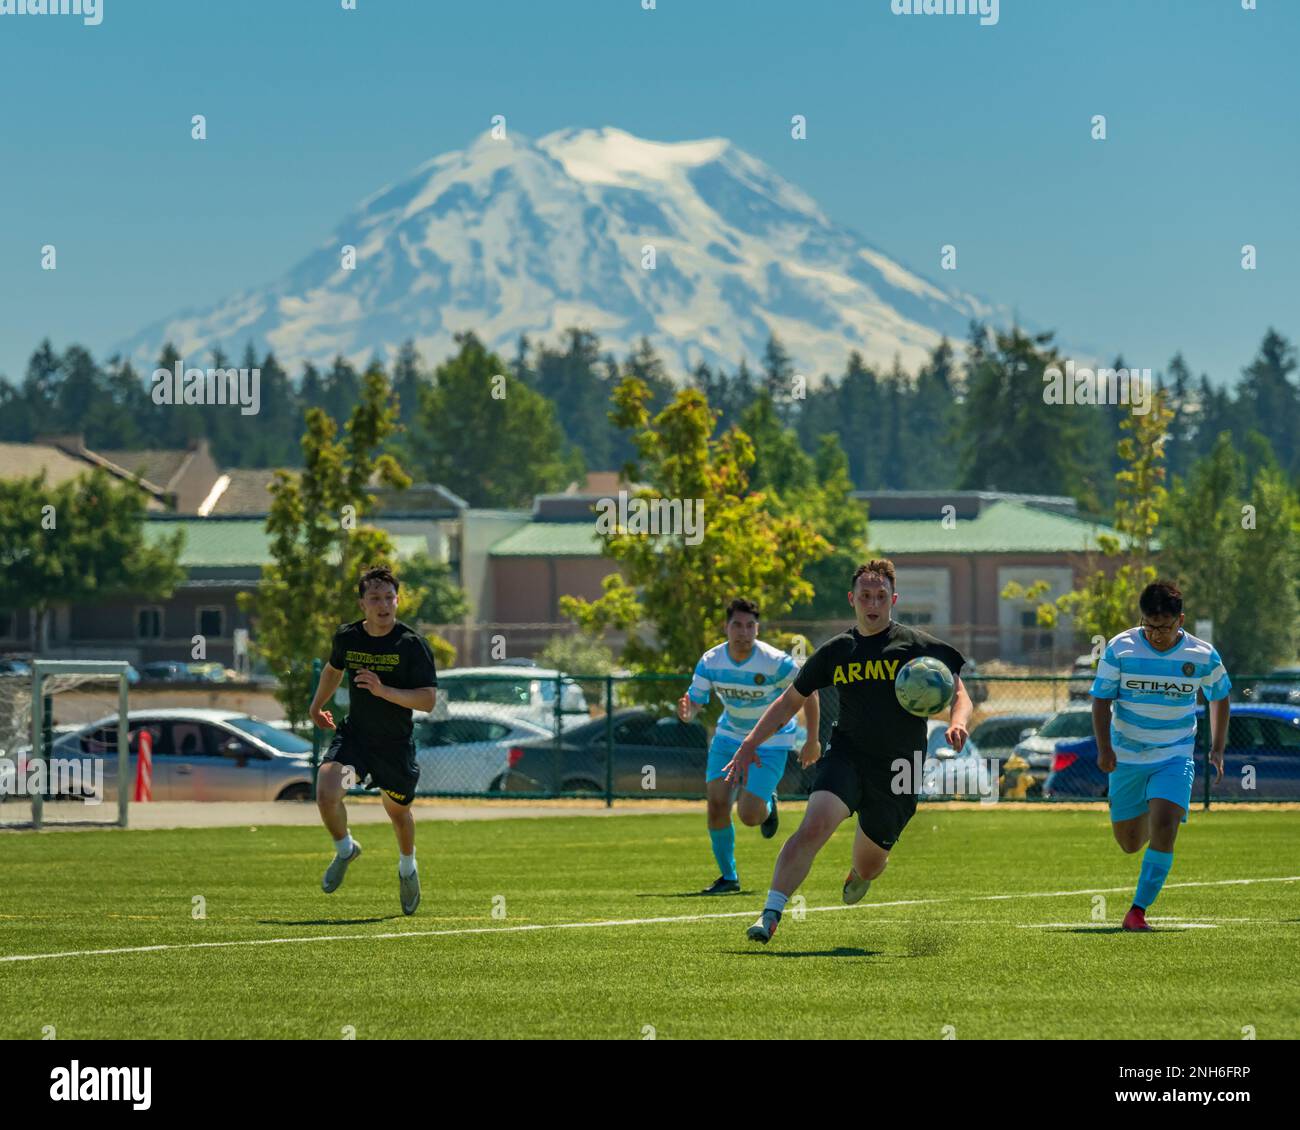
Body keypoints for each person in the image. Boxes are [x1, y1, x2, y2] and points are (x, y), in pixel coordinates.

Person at [725, 560, 970, 944]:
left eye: (881, 597)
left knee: (869, 864)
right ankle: (770, 913)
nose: (873, 604)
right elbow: (790, 701)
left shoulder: (917, 646)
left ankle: (860, 874)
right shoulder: (837, 650)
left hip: (901, 768)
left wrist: (957, 722)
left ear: (893, 599)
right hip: (847, 755)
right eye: (865, 596)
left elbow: (959, 691)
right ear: (852, 599)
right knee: (813, 826)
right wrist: (749, 743)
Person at [1090, 580, 1230, 931]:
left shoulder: (1202, 655)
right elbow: (1101, 700)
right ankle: (1149, 812)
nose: (1156, 634)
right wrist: (1105, 749)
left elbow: (1220, 697)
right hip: (1127, 756)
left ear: (1180, 620)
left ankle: (1137, 911)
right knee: (1130, 843)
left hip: (1175, 753)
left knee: (1165, 824)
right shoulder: (1120, 648)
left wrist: (1217, 747)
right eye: (1149, 626)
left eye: (1164, 627)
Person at [308, 565, 439, 915]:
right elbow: (334, 669)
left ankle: (407, 869)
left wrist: (384, 691)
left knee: (397, 813)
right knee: (327, 791)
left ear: (397, 601)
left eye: (389, 598)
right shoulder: (348, 638)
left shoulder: (412, 645)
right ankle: (345, 848)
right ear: (362, 603)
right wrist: (317, 705)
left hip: (394, 747)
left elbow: (427, 700)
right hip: (357, 743)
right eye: (374, 598)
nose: (383, 605)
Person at [677, 598, 820, 894]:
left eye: (750, 626)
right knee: (717, 803)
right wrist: (688, 712)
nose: (744, 632)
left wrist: (812, 739)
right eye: (737, 625)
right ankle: (729, 878)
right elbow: (695, 704)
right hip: (729, 737)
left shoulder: (775, 662)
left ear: (757, 628)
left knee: (749, 816)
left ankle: (768, 805)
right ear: (726, 627)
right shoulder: (710, 661)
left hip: (772, 740)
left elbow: (810, 691)